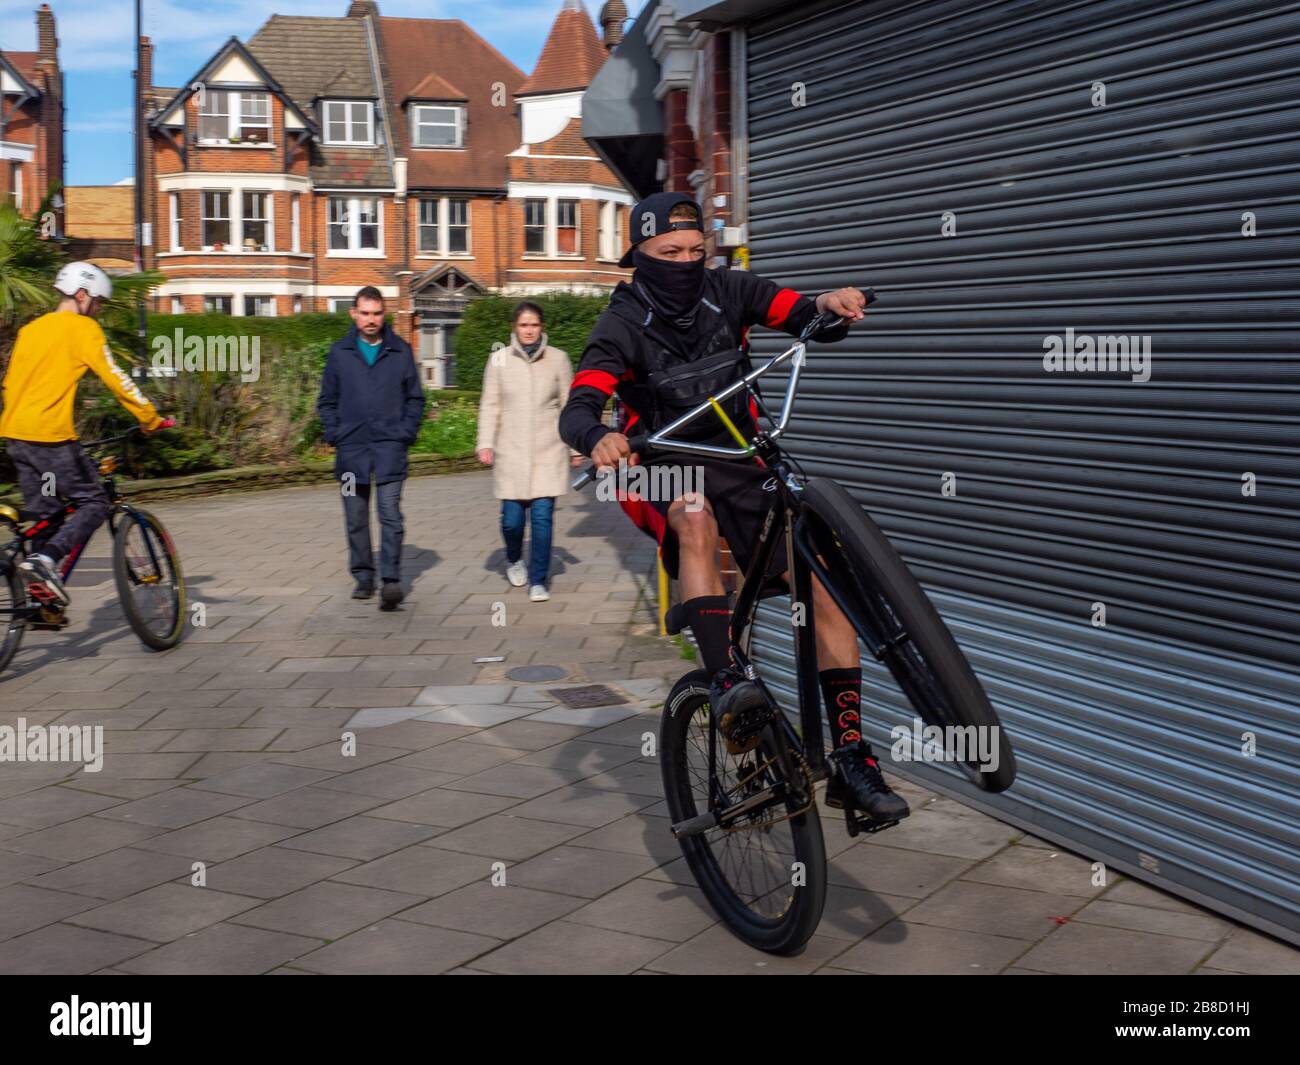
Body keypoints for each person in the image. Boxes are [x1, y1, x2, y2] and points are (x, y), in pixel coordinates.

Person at [559, 192, 908, 824]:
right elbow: (579, 405)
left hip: (742, 457)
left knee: (823, 588)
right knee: (692, 516)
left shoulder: (732, 290)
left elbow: (805, 316)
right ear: (638, 255)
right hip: (664, 466)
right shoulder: (621, 321)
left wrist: (829, 305)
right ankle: (726, 682)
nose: (686, 262)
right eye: (669, 253)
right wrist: (596, 436)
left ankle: (854, 756)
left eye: (696, 250)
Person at [0, 262, 168, 611]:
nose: (99, 310)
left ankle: (42, 607)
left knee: (47, 513)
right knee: (95, 502)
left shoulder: (31, 330)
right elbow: (116, 377)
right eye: (98, 303)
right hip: (51, 440)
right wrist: (149, 418)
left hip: (17, 438)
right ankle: (46, 562)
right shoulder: (81, 329)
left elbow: (10, 384)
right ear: (81, 295)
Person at [317, 286, 425, 611]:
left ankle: (390, 579)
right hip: (351, 452)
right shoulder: (340, 353)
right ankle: (364, 577)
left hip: (390, 449)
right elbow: (327, 401)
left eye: (377, 313)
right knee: (355, 516)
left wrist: (405, 432)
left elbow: (415, 398)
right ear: (353, 314)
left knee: (390, 514)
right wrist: (335, 433)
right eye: (365, 313)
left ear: (384, 314)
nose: (371, 320)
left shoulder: (401, 351)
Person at [476, 301, 584, 602]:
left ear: (542, 328)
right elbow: (490, 404)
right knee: (511, 520)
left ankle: (539, 579)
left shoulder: (559, 360)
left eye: (534, 325)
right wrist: (485, 442)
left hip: (547, 450)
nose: (529, 330)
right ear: (515, 327)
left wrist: (575, 447)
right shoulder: (498, 360)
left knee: (542, 517)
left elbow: (569, 407)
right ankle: (514, 559)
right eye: (523, 325)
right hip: (510, 451)